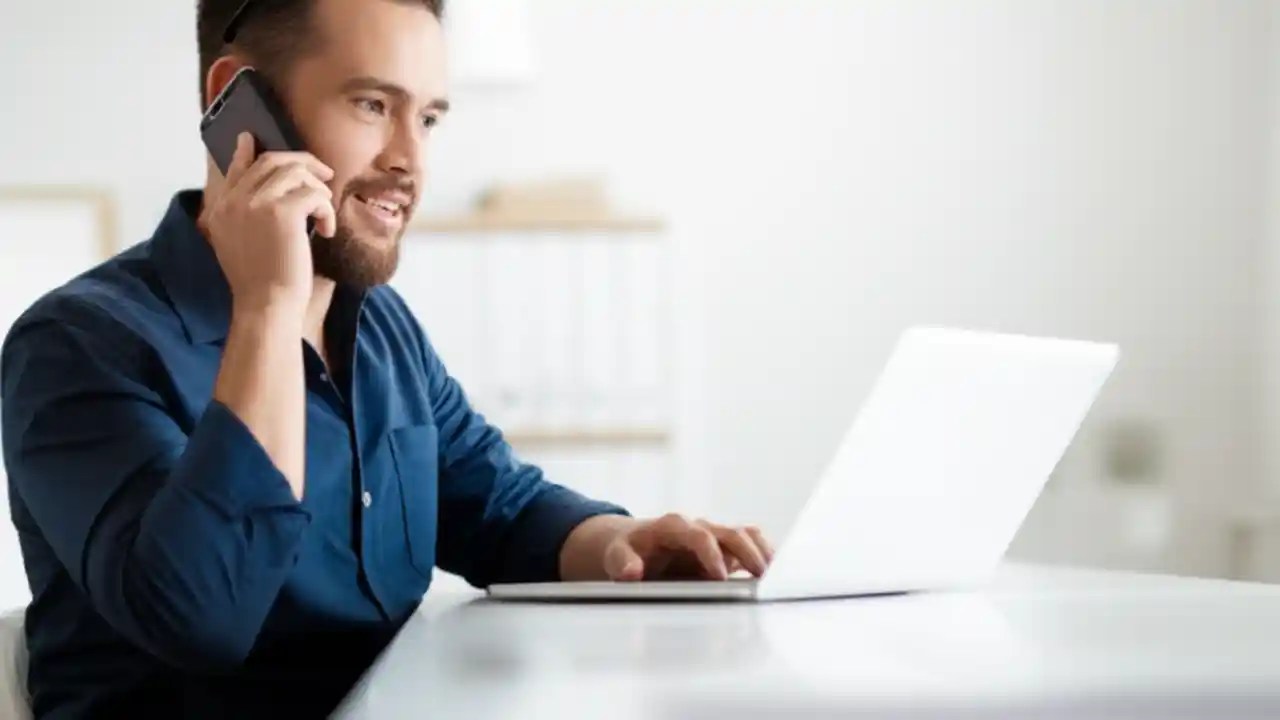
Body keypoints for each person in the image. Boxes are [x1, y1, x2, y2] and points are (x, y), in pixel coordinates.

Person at [0, 0, 775, 717]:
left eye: (429, 117)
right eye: (373, 105)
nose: (410, 160)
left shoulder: (379, 330)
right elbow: (202, 614)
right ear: (240, 103)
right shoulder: (78, 347)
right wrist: (267, 307)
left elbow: (494, 506)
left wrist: (621, 546)